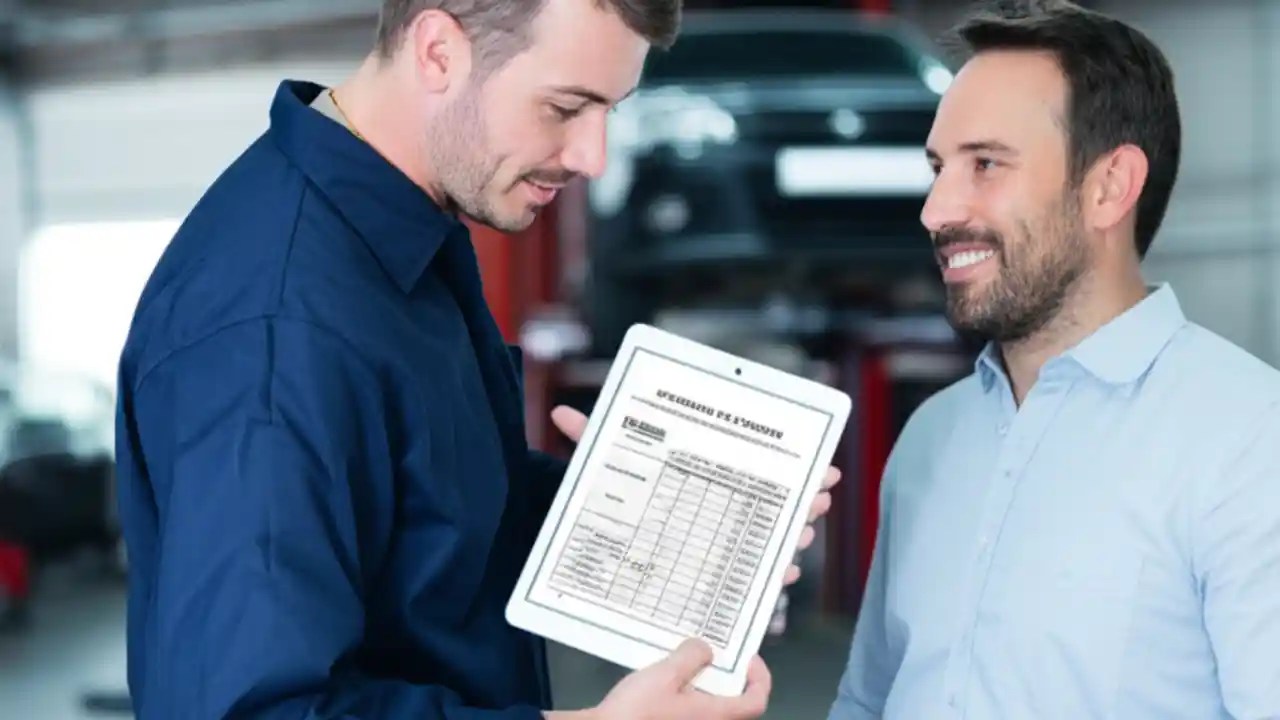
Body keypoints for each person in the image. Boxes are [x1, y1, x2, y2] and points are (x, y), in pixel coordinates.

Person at [114, 0, 841, 718]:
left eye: (609, 111)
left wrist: (654, 522)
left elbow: (426, 512)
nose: (593, 157)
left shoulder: (396, 239)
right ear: (438, 51)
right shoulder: (276, 327)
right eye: (564, 108)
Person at [828, 1, 1280, 718]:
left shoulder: (1252, 439)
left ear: (1108, 187)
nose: (936, 209)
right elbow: (867, 701)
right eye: (939, 167)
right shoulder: (930, 441)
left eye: (985, 164)